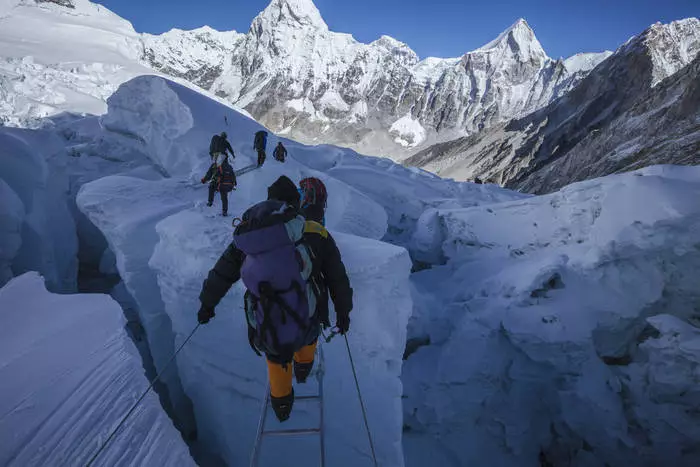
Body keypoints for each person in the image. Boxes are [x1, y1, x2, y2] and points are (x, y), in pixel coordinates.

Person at [197, 176, 352, 422]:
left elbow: (223, 271)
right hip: (308, 317)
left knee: (276, 353)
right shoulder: (313, 231)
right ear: (294, 203)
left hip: (265, 319)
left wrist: (207, 304)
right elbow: (336, 277)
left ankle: (281, 405)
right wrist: (344, 311)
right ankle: (303, 369)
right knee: (307, 337)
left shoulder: (250, 235)